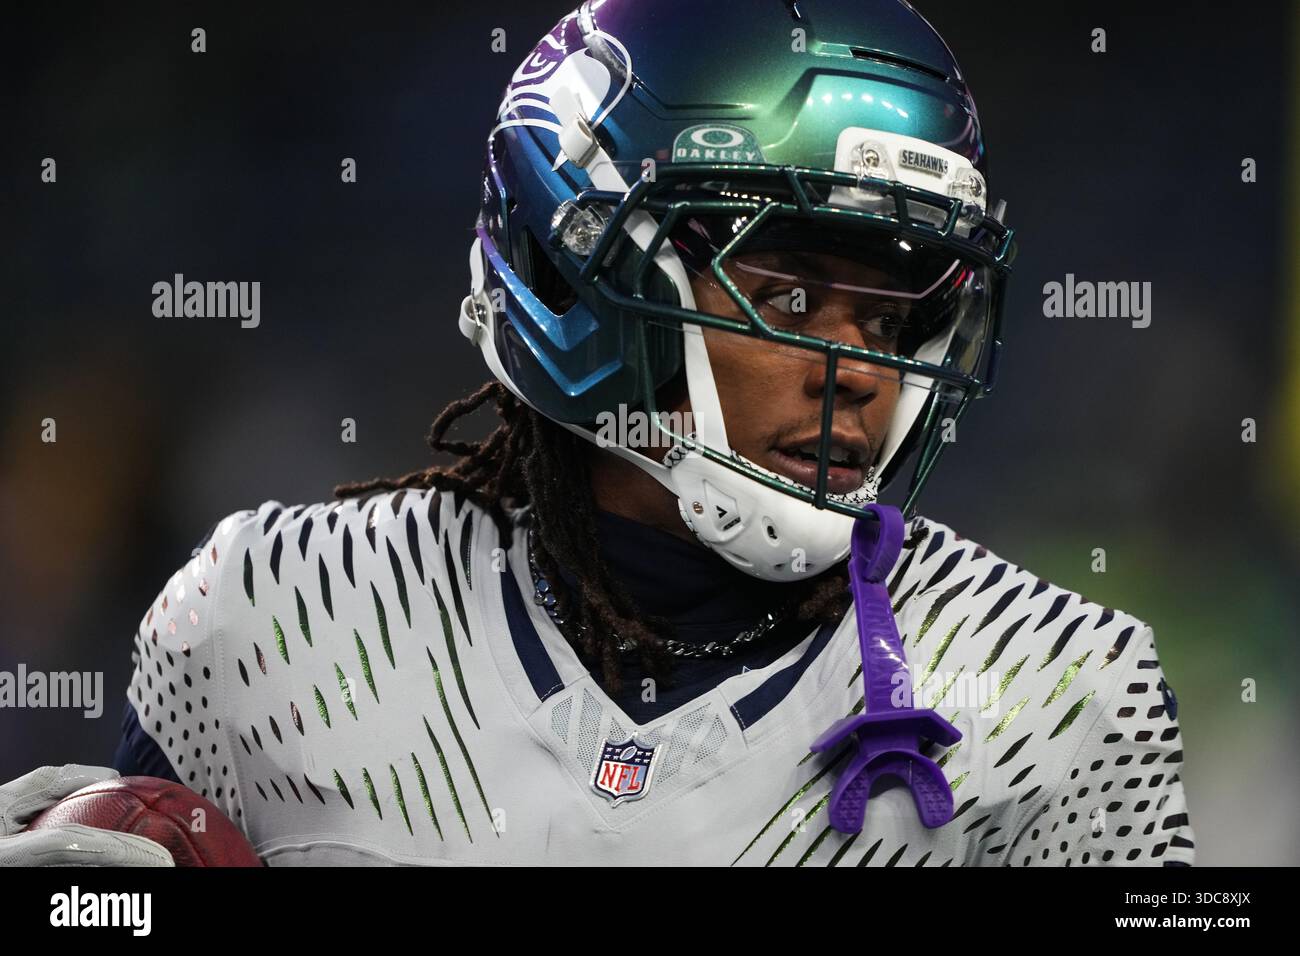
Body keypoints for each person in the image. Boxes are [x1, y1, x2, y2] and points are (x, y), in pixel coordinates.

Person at [5, 0, 1193, 866]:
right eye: (783, 296)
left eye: (900, 312)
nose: (863, 373)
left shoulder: (1057, 686)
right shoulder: (275, 610)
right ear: (571, 274)